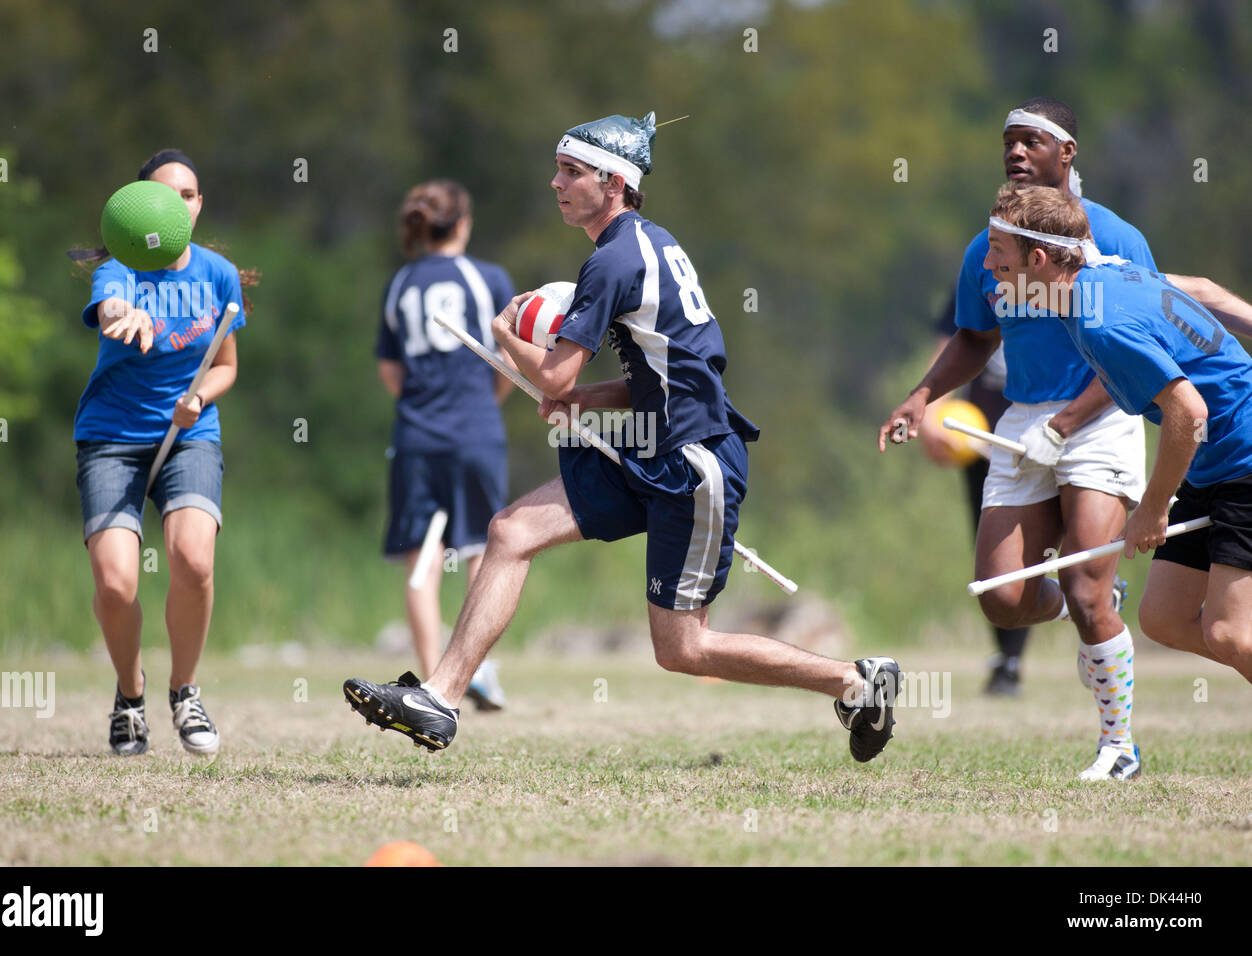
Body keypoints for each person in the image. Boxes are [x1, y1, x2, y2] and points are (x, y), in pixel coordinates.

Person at [344, 112, 902, 762]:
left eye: (570, 172)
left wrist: (503, 338)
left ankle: (857, 682)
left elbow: (553, 370)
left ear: (613, 183)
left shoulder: (613, 259)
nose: (556, 182)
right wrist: (583, 399)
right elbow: (664, 373)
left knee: (683, 649)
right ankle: (439, 699)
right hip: (650, 445)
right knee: (509, 532)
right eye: (558, 169)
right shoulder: (646, 244)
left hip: (693, 463)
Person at [878, 98, 1153, 781]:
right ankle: (1082, 600)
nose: (1017, 152)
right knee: (1002, 596)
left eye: (1032, 141)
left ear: (1068, 154)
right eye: (1009, 141)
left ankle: (1118, 746)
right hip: (1024, 419)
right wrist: (921, 396)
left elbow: (1144, 354)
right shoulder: (988, 245)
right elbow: (975, 337)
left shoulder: (1116, 239)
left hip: (1102, 410)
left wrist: (1067, 423)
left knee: (1088, 589)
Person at [983, 182, 1252, 685]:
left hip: (1245, 461)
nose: (985, 265)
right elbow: (1202, 290)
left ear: (1037, 259)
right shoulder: (1105, 274)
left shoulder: (1099, 319)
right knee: (1163, 619)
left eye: (996, 253)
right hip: (1213, 466)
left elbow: (1189, 412)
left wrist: (1151, 507)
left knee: (1229, 635)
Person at [72, 148, 246, 756]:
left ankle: (185, 690)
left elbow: (224, 366)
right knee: (117, 585)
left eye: (191, 195)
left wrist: (199, 396)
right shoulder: (119, 268)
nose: (181, 205)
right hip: (112, 438)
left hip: (189, 436)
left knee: (193, 561)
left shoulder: (219, 275)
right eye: (166, 195)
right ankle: (130, 694)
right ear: (139, 204)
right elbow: (112, 302)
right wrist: (125, 314)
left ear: (200, 206)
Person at [375, 179, 513, 709]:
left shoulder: (400, 283)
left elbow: (391, 370)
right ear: (462, 224)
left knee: (422, 557)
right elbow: (507, 359)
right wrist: (481, 403)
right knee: (483, 548)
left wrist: (423, 404)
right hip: (477, 428)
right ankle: (475, 668)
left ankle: (436, 682)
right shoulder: (490, 278)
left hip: (415, 435)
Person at [916, 298, 1031, 695]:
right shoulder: (981, 270)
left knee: (1051, 546)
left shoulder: (1065, 271)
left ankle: (1092, 613)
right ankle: (1008, 661)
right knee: (997, 551)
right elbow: (953, 342)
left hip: (1049, 430)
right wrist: (930, 412)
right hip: (980, 438)